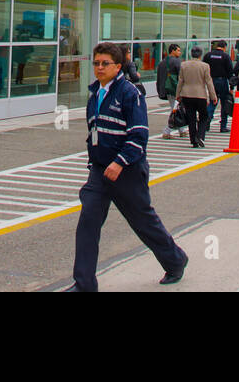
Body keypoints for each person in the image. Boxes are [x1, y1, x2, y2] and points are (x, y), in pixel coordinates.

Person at [69, 42, 188, 291]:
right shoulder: (95, 93)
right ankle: (84, 284)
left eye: (105, 64)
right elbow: (95, 131)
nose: (99, 68)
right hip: (100, 172)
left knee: (143, 222)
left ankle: (175, 261)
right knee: (87, 224)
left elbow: (138, 136)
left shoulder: (129, 93)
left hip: (128, 172)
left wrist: (119, 162)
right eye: (96, 63)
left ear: (118, 67)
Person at [175, 46, 216, 147]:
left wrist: (178, 94)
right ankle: (200, 136)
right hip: (200, 94)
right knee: (203, 116)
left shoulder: (184, 65)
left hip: (187, 94)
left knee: (191, 118)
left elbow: (180, 81)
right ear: (201, 55)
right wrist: (213, 96)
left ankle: (193, 140)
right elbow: (209, 82)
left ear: (191, 54)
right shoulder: (205, 66)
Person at [204, 39, 234, 133]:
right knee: (225, 104)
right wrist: (232, 87)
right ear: (224, 47)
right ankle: (223, 126)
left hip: (211, 80)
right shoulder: (225, 56)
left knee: (213, 101)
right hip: (222, 81)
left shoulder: (208, 55)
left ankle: (206, 122)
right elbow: (230, 72)